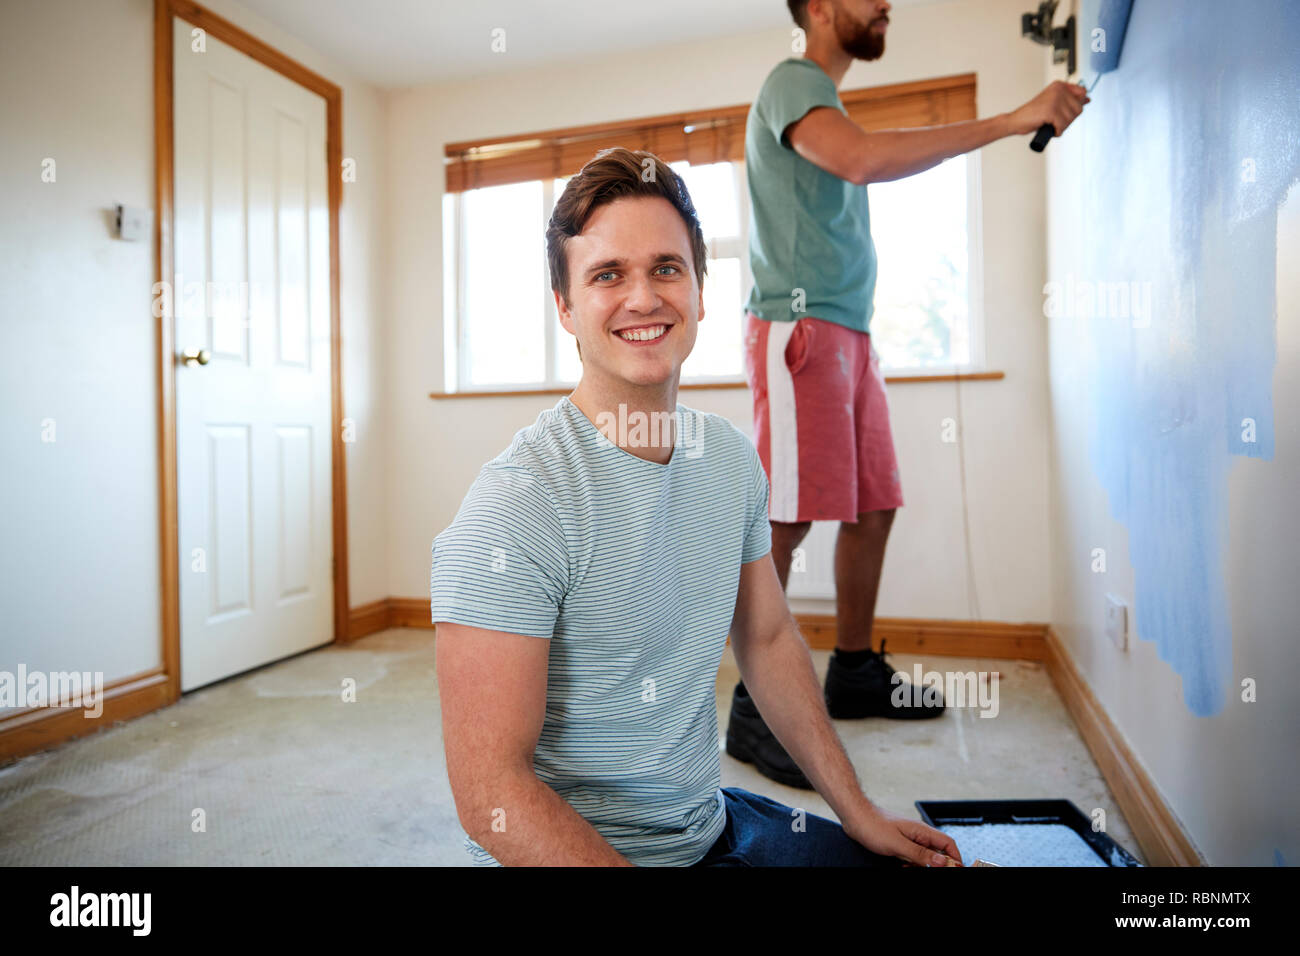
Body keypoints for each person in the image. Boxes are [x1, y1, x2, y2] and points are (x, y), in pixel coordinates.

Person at [431, 146, 963, 867]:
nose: (644, 298)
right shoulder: (516, 505)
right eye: (607, 275)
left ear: (704, 292)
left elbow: (768, 636)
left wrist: (857, 810)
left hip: (708, 830)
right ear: (565, 306)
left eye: (666, 268)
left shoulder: (730, 462)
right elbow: (489, 790)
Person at [729, 0, 1089, 788]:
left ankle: (852, 671)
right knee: (784, 518)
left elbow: (853, 157)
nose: (886, 2)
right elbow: (859, 159)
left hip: (847, 332)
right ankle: (757, 714)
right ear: (820, 8)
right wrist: (1009, 118)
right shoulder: (792, 81)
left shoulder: (824, 97)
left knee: (874, 504)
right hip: (798, 331)